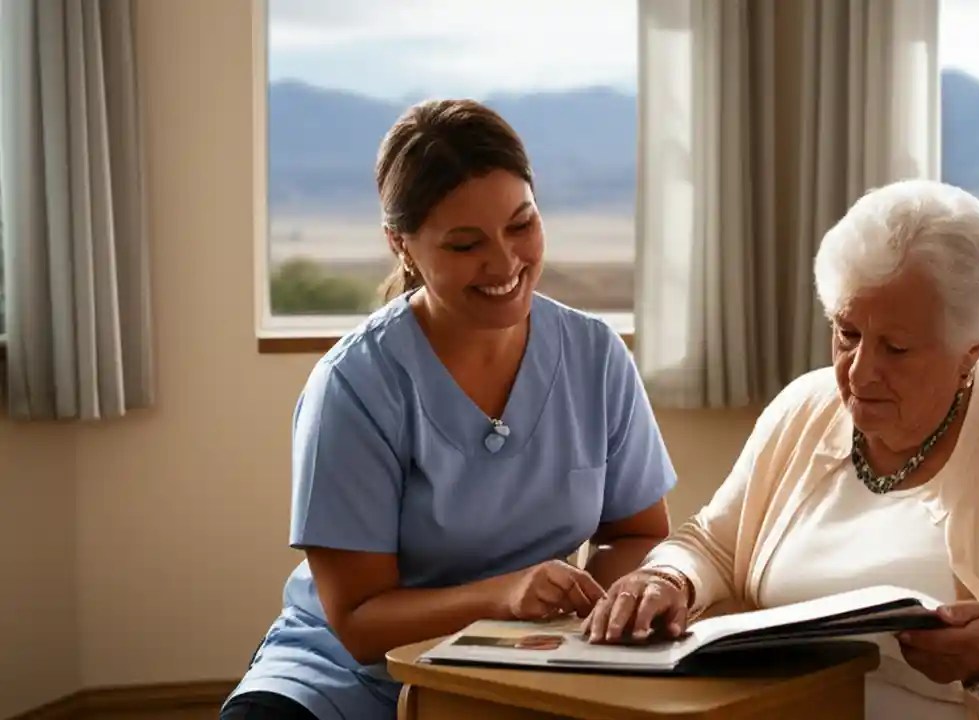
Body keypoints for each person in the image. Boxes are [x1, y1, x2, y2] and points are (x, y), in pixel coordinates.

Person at [585, 180, 979, 720]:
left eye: (896, 348)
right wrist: (667, 577)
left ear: (969, 353)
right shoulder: (804, 408)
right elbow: (714, 543)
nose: (860, 371)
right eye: (847, 333)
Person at [221, 99, 678, 720]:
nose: (505, 263)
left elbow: (637, 532)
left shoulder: (594, 357)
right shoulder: (355, 384)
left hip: (525, 665)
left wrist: (613, 598)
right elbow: (357, 622)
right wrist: (507, 595)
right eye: (466, 244)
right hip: (348, 680)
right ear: (400, 244)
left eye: (522, 225)